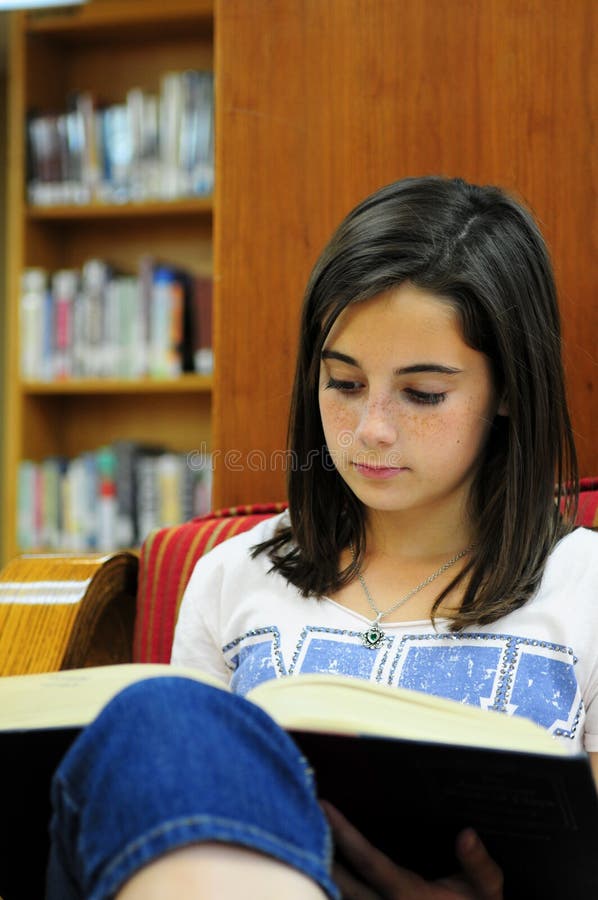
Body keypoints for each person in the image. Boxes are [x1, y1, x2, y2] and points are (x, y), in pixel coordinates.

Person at [46, 175, 598, 900]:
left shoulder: (584, 587)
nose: (371, 429)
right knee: (159, 724)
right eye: (342, 383)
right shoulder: (231, 577)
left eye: (423, 394)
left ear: (508, 393)